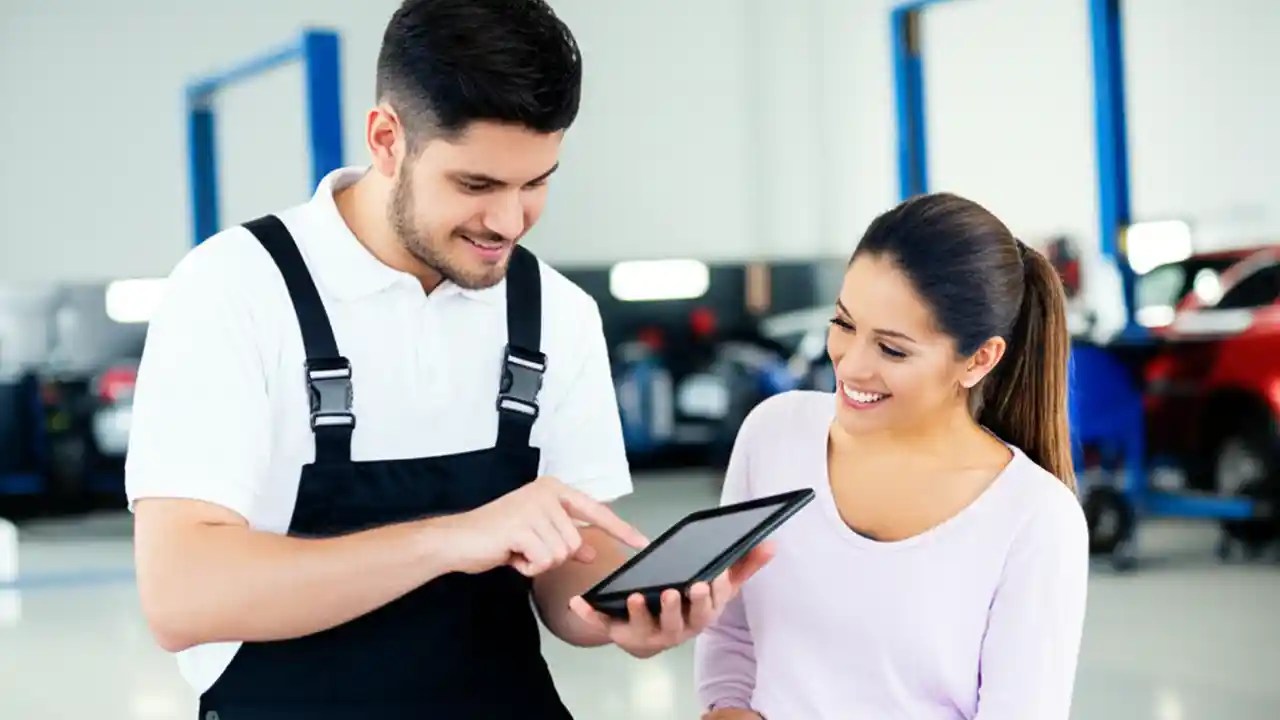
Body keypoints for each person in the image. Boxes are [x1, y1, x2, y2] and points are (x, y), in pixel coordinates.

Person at [126, 1, 770, 717]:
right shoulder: (235, 290)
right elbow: (182, 595)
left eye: (536, 183)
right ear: (387, 139)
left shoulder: (554, 312)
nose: (508, 222)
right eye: (476, 185)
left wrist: (629, 611)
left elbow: (568, 572)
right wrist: (453, 539)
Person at [694, 192, 1090, 719]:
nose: (850, 365)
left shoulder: (1035, 517)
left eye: (892, 349)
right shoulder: (774, 434)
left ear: (979, 359)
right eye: (843, 323)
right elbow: (731, 633)